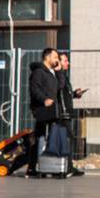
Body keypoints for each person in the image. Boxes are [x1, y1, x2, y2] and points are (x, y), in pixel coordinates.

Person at [26, 47, 60, 178]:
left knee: (45, 135)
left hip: (51, 110)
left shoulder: (51, 73)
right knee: (41, 136)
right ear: (48, 58)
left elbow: (58, 88)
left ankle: (41, 166)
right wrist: (44, 99)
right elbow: (34, 89)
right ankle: (34, 166)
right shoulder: (39, 72)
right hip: (42, 110)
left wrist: (60, 72)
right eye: (55, 57)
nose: (57, 60)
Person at [56, 53, 86, 176]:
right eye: (65, 61)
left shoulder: (64, 76)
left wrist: (74, 94)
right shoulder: (58, 76)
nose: (68, 63)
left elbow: (65, 94)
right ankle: (66, 167)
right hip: (61, 114)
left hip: (66, 112)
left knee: (68, 139)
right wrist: (59, 71)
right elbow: (58, 91)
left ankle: (68, 166)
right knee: (67, 139)